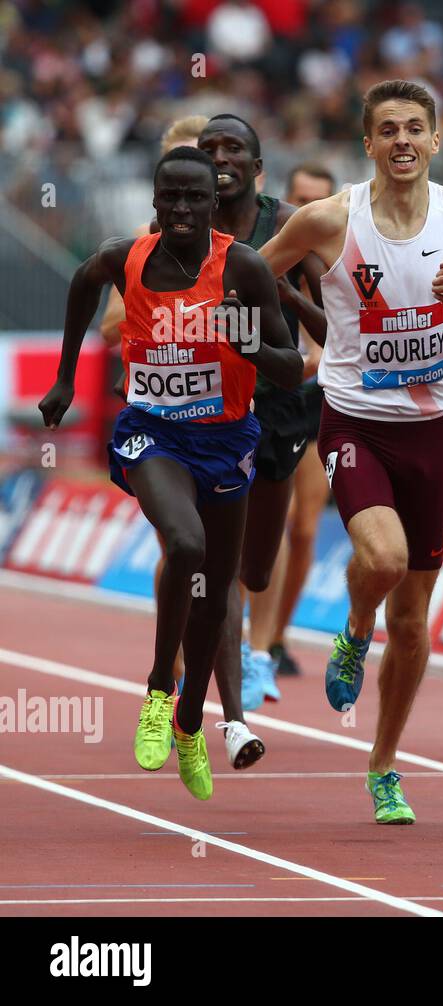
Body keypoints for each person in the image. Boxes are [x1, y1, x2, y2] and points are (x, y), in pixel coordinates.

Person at [259, 79, 443, 825]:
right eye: (388, 129)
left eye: (415, 129)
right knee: (385, 559)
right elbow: (248, 275)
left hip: (430, 433)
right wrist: (286, 348)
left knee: (415, 623)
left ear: (435, 141)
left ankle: (385, 766)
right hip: (354, 422)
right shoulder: (329, 218)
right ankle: (353, 630)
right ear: (367, 144)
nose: (402, 140)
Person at [39, 146, 302, 799]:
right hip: (151, 433)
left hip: (226, 439)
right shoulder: (127, 257)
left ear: (215, 204)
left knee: (217, 592)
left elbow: (292, 367)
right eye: (171, 197)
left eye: (195, 198)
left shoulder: (241, 266)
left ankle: (190, 724)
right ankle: (159, 690)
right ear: (155, 202)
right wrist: (65, 379)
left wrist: (251, 347)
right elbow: (80, 283)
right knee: (185, 544)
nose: (182, 208)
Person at [196, 116, 327, 725]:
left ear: (257, 168)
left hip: (279, 403)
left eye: (234, 150)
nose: (221, 157)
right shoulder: (176, 224)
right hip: (202, 406)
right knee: (203, 552)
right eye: (210, 149)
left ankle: (253, 647)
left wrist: (282, 288)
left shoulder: (292, 226)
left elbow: (333, 330)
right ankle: (203, 681)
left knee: (255, 564)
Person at [98, 114, 208, 694]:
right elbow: (111, 326)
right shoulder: (140, 248)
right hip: (162, 419)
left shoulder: (244, 239)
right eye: (179, 167)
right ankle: (176, 673)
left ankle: (247, 655)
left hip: (234, 413)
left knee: (249, 559)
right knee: (185, 544)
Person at [263, 163, 338, 679]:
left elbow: (330, 337)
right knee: (267, 526)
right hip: (271, 399)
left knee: (304, 527)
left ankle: (275, 638)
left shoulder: (330, 258)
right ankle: (256, 632)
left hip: (317, 399)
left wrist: (310, 360)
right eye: (301, 197)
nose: (310, 208)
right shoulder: (269, 251)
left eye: (320, 200)